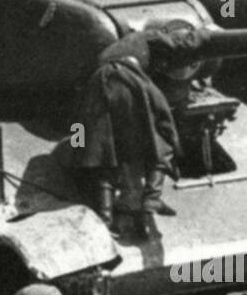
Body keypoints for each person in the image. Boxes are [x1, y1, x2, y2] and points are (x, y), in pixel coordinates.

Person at [72, 40, 181, 237]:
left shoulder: (98, 77)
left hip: (101, 130)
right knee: (160, 152)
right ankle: (150, 204)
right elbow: (163, 115)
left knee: (105, 158)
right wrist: (171, 141)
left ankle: (105, 218)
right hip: (133, 132)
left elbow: (81, 117)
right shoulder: (141, 80)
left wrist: (77, 145)